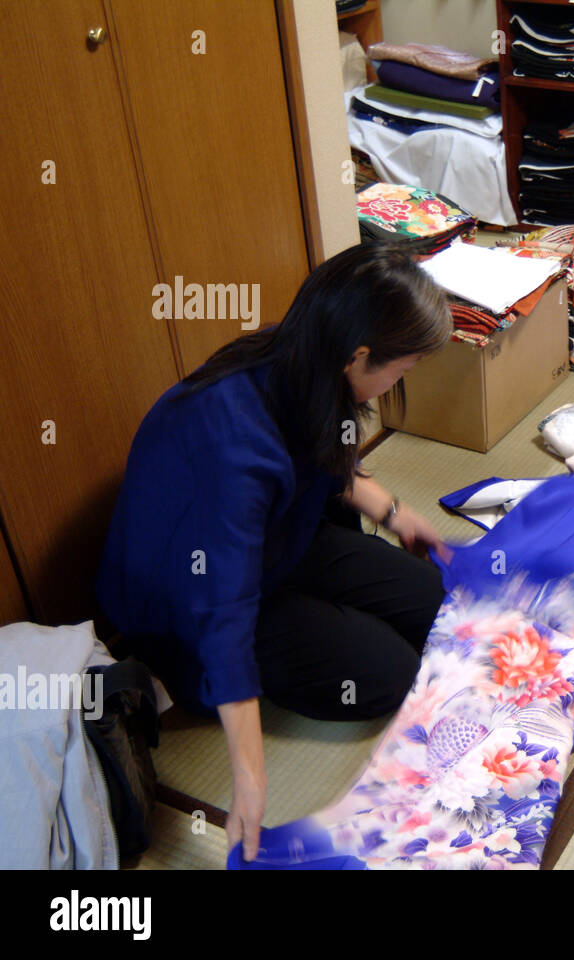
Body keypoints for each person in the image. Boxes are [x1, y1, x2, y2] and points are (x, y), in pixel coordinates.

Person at [96, 243, 453, 861]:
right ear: (360, 355)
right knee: (388, 674)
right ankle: (203, 667)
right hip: (189, 601)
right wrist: (251, 779)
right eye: (406, 366)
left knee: (434, 604)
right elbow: (224, 607)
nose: (406, 378)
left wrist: (394, 512)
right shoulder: (235, 441)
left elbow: (327, 455)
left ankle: (314, 615)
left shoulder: (308, 357)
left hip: (280, 539)